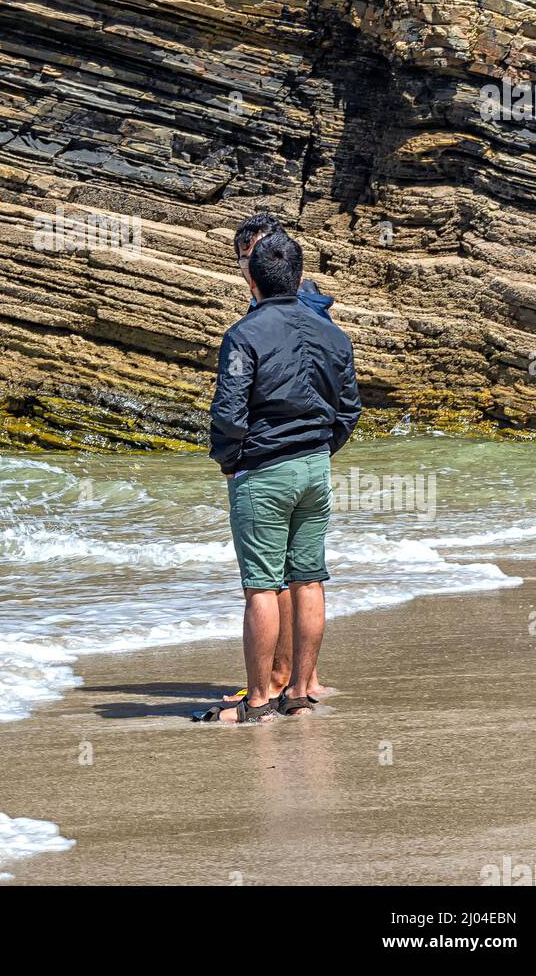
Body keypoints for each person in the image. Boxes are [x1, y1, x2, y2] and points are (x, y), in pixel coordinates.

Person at [195, 230, 361, 723]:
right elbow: (349, 408)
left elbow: (229, 412)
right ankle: (300, 694)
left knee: (262, 587)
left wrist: (230, 461)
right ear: (298, 272)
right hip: (315, 466)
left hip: (266, 468)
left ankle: (258, 702)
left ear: (251, 275)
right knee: (309, 578)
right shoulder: (332, 332)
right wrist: (320, 449)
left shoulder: (244, 334)